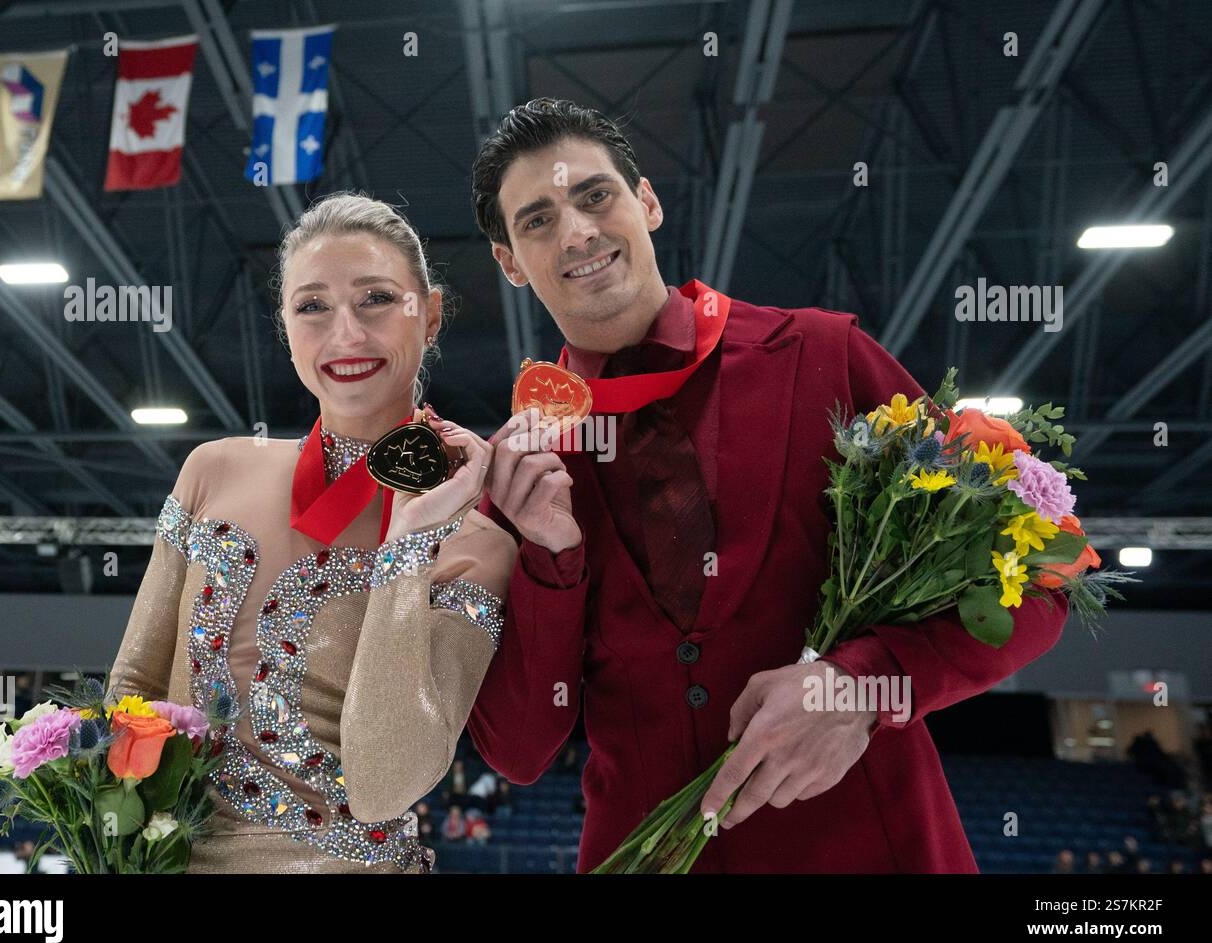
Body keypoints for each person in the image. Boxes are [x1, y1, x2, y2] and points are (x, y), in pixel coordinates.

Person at [465, 97, 1071, 873]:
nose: (578, 231)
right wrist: (551, 558)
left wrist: (862, 686)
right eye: (538, 220)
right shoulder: (523, 466)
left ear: (645, 201)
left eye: (594, 195)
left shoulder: (822, 354)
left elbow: (1043, 575)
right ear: (509, 262)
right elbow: (518, 749)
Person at [108, 192, 517, 874]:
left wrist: (408, 547)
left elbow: (386, 783)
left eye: (377, 299)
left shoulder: (476, 545)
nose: (345, 334)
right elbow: (133, 687)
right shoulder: (213, 470)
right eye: (312, 306)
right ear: (285, 324)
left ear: (432, 312)